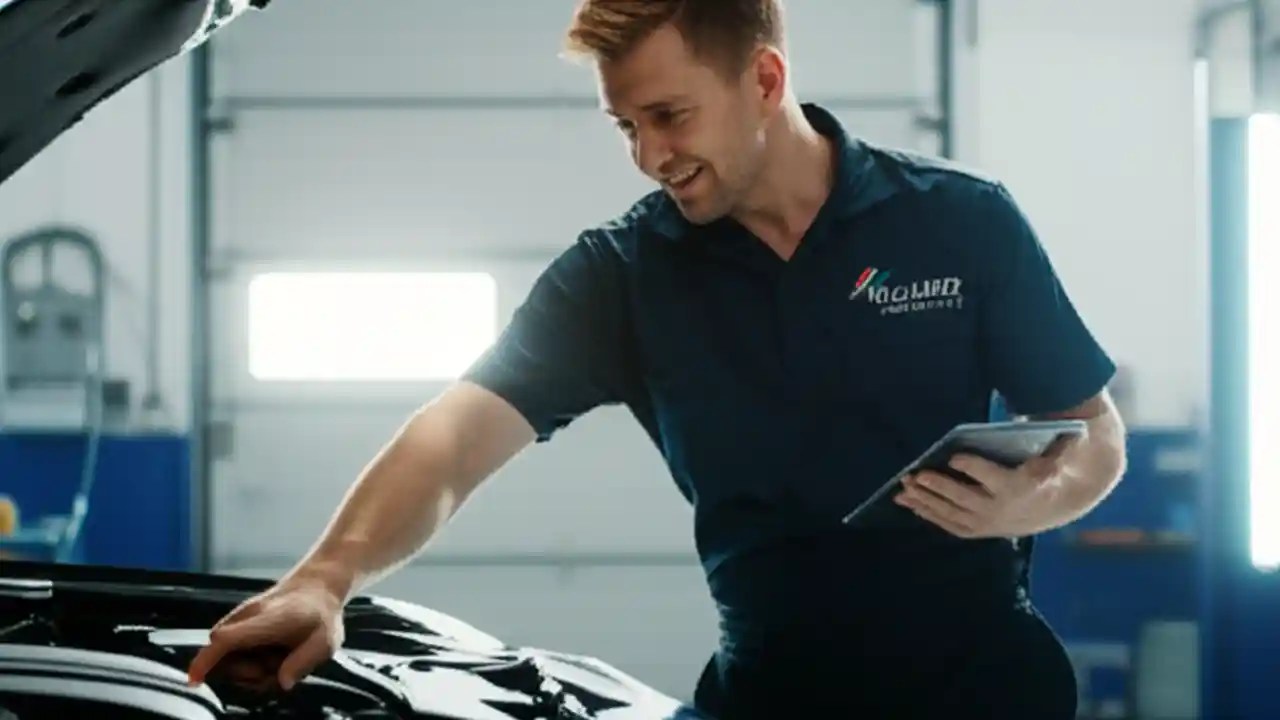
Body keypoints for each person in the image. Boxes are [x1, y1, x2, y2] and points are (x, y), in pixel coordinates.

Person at [187, 1, 1128, 717]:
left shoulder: (961, 223)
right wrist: (324, 577)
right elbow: (453, 437)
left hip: (987, 688)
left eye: (669, 116)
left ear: (764, 80)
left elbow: (1096, 435)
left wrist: (1037, 498)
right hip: (771, 694)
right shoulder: (626, 276)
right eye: (626, 126)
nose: (649, 156)